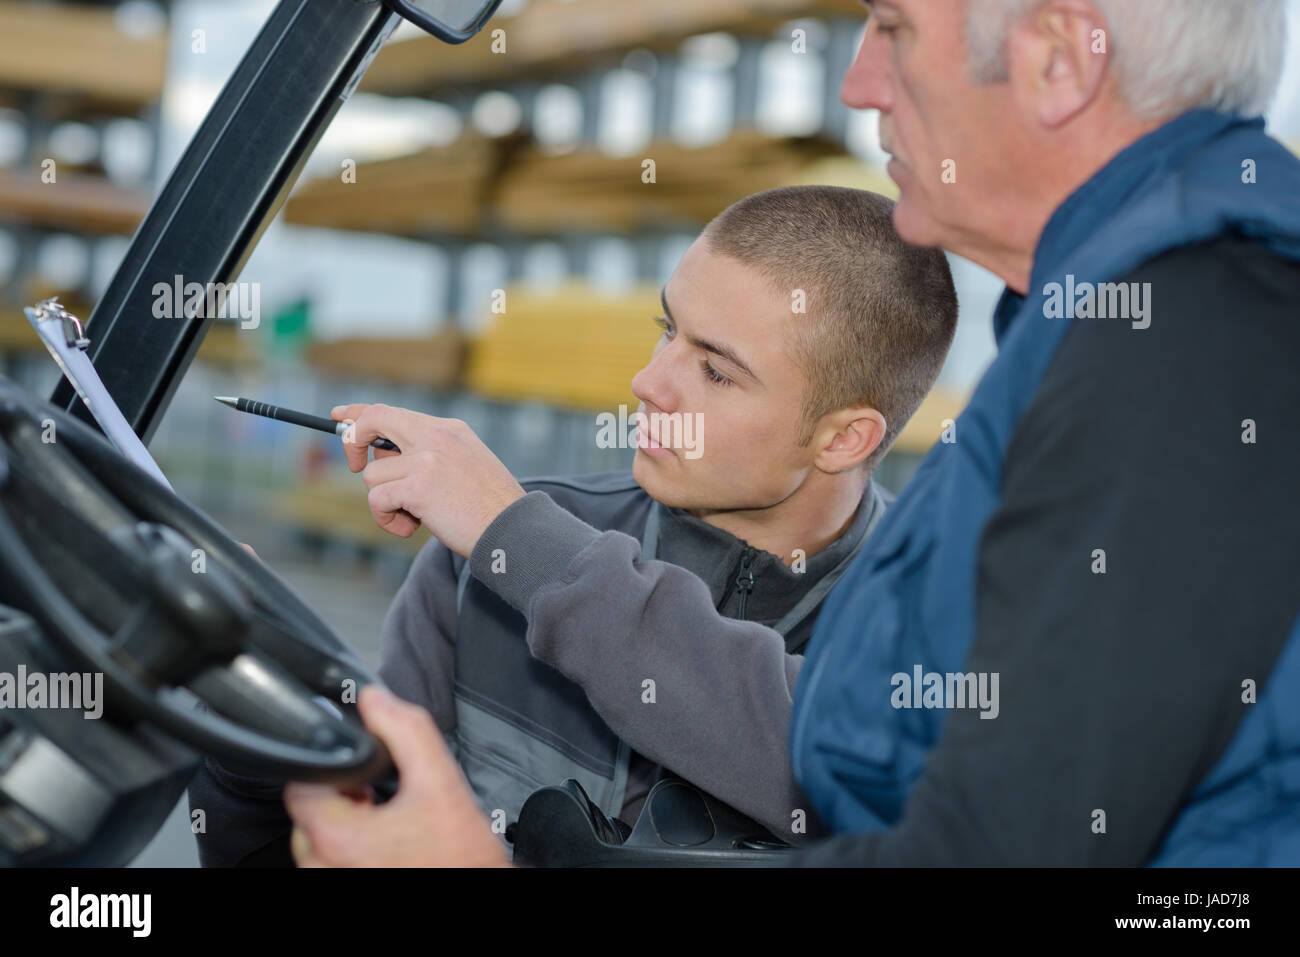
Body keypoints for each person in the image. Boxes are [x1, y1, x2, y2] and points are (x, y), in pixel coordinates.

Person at [284, 0, 1300, 867]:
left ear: (1057, 60)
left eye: (893, 27)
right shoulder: (1113, 330)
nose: (858, 84)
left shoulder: (1198, 339)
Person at [189, 184, 959, 865]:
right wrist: (262, 737)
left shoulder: (944, 629)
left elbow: (818, 747)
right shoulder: (478, 567)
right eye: (667, 330)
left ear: (844, 438)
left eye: (715, 371)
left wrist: (515, 537)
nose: (647, 383)